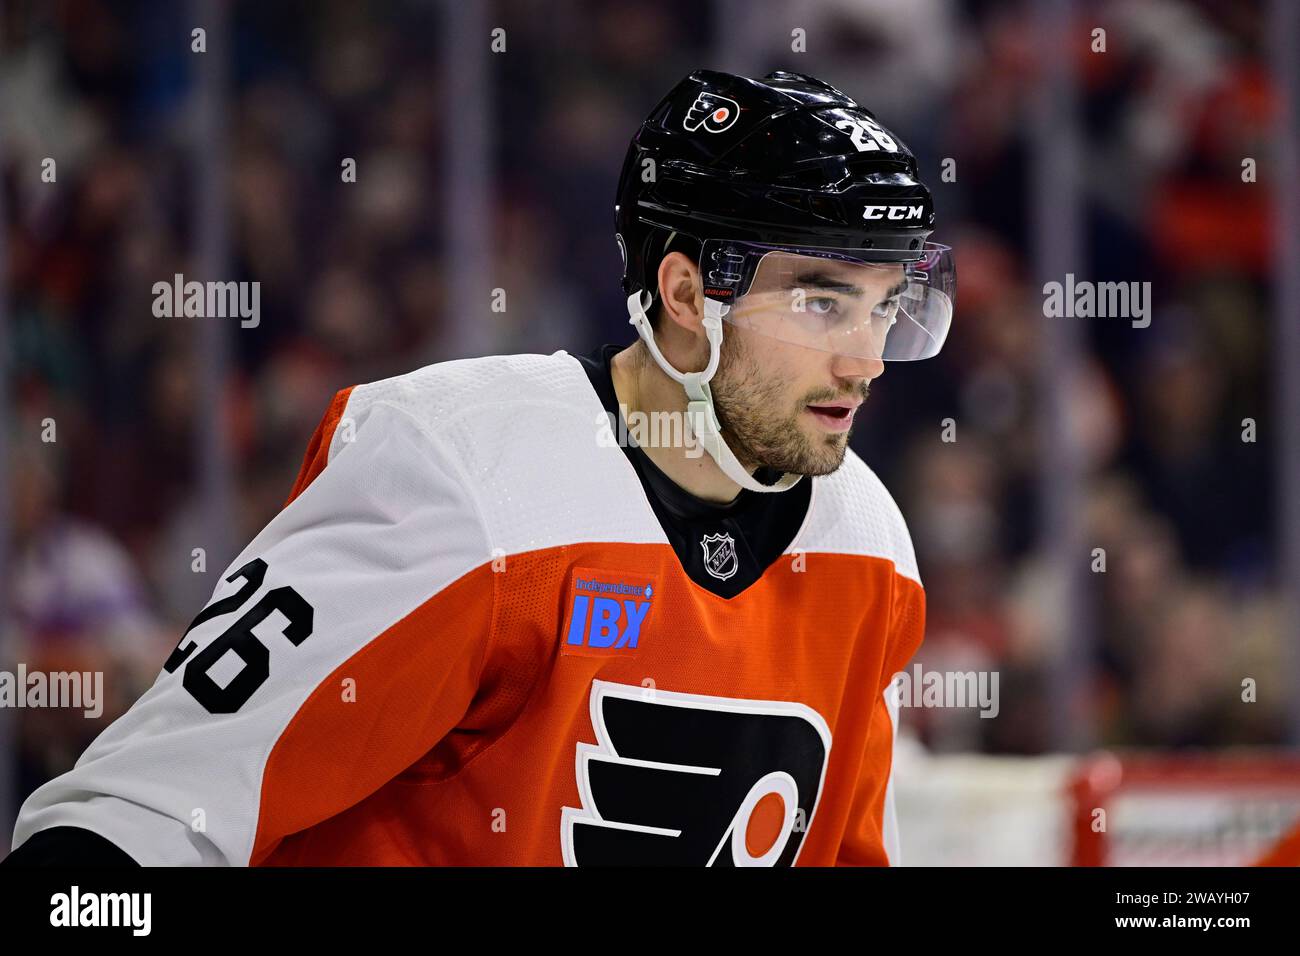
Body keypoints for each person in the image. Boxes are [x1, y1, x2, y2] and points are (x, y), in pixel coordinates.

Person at [5, 69, 953, 866]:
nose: (865, 359)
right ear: (685, 293)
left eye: (884, 306)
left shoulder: (864, 542)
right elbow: (144, 813)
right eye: (825, 304)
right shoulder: (468, 474)